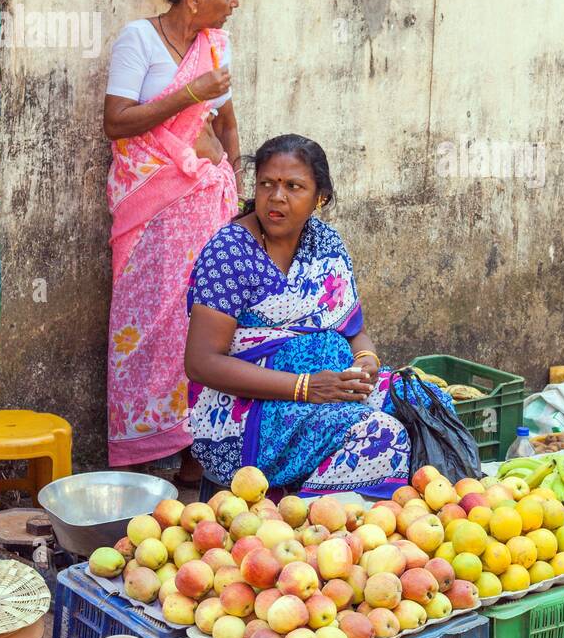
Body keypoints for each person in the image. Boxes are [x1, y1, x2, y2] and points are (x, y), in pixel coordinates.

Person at [184, 135, 454, 496]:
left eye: (293, 186)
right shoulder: (229, 251)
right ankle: (307, 523)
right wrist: (305, 388)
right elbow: (201, 362)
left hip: (333, 390)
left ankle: (398, 515)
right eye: (267, 184)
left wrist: (366, 361)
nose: (276, 197)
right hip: (251, 414)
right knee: (377, 433)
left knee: (427, 401)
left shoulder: (326, 244)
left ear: (319, 197)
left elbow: (354, 332)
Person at [104, 0, 241, 470]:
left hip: (206, 207)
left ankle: (193, 453)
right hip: (152, 207)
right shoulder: (138, 40)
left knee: (201, 321)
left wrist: (230, 179)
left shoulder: (215, 46)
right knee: (147, 325)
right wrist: (189, 95)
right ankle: (138, 454)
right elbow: (117, 122)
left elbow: (226, 123)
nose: (234, 3)